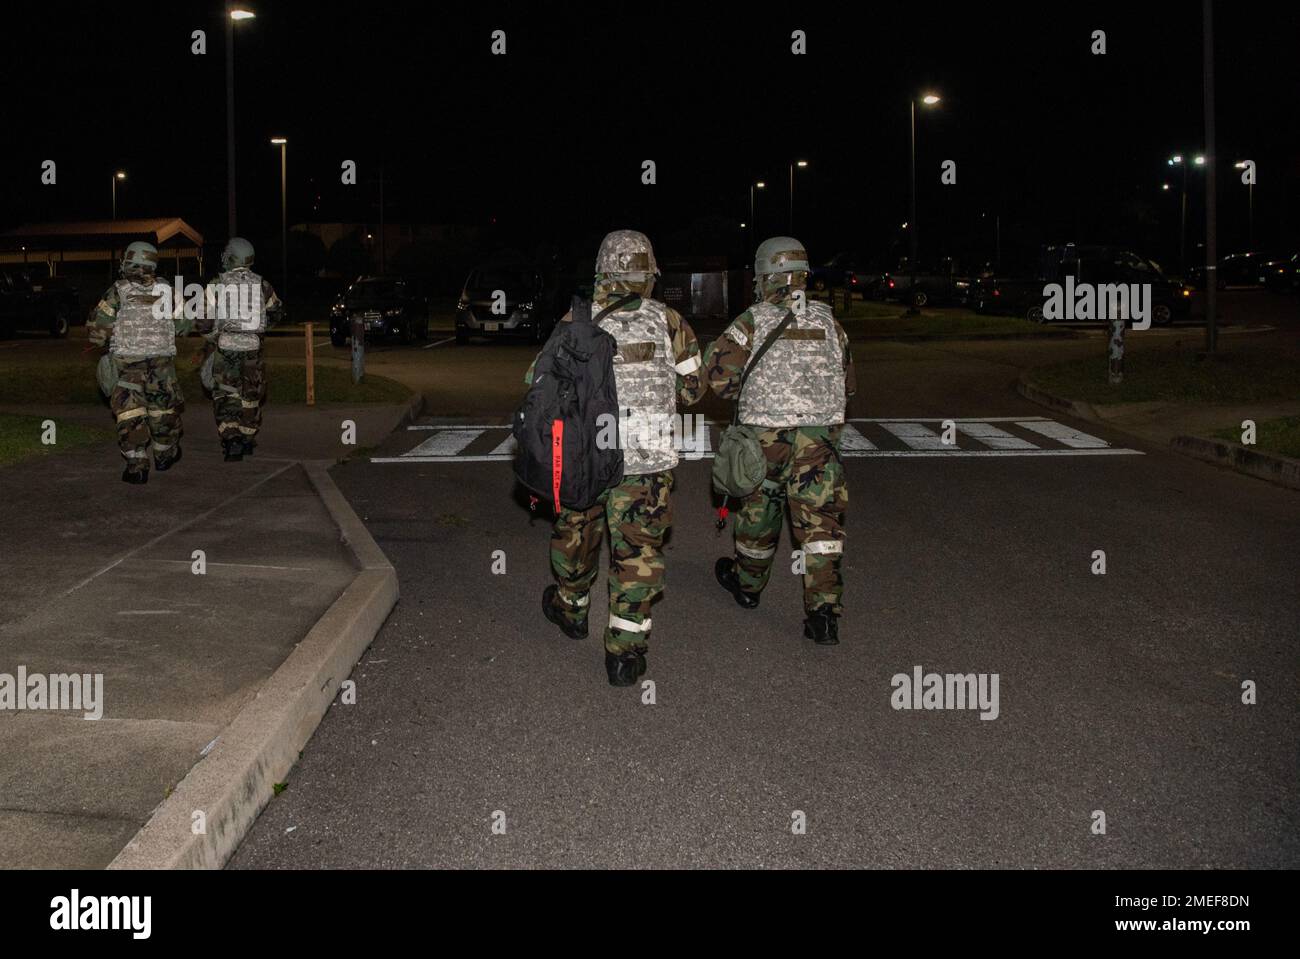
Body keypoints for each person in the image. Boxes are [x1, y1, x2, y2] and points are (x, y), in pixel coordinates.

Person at [529, 230, 706, 686]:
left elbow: (536, 381)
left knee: (576, 534)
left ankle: (571, 609)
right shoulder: (671, 322)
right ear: (648, 274)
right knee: (638, 555)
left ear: (602, 272)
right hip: (647, 462)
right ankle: (625, 656)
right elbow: (692, 389)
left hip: (587, 457)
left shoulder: (576, 320)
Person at [704, 236, 856, 645]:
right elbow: (848, 385)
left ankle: (749, 588)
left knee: (759, 511)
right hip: (818, 443)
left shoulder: (751, 322)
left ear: (765, 277)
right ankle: (823, 614)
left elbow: (716, 380)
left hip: (765, 439)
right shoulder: (830, 323)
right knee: (820, 526)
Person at [88, 241, 187, 483]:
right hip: (161, 365)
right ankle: (164, 455)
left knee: (130, 413)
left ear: (128, 262)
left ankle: (136, 465)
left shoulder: (117, 291)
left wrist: (104, 341)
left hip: (127, 365)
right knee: (162, 410)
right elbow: (184, 327)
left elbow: (96, 331)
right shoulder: (169, 290)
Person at [202, 237, 281, 461]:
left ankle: (231, 439)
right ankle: (247, 438)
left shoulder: (217, 283)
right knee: (251, 395)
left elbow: (203, 320)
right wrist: (259, 331)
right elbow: (276, 312)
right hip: (253, 349)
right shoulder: (262, 284)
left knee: (226, 395)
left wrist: (212, 337)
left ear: (230, 257)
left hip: (225, 348)